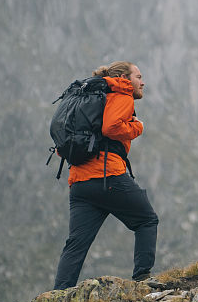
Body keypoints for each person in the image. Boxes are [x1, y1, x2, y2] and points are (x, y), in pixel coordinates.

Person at [53, 61, 159, 288]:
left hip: (80, 183)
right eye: (138, 77)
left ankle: (59, 294)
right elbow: (111, 128)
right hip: (107, 176)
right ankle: (142, 278)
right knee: (147, 220)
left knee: (76, 244)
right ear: (124, 78)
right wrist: (138, 126)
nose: (142, 82)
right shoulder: (122, 93)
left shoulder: (92, 97)